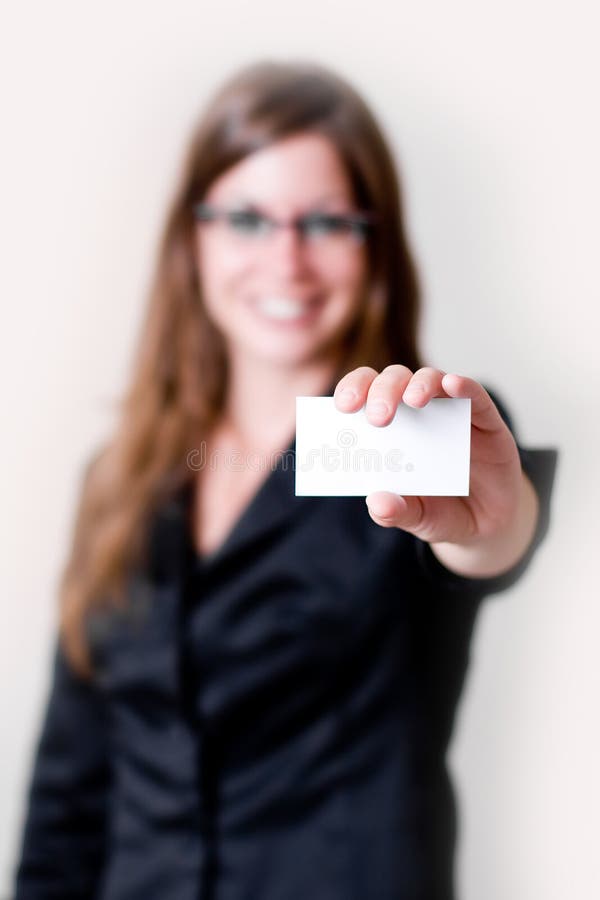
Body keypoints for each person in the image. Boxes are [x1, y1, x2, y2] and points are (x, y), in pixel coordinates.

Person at [14, 60, 556, 900]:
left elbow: (491, 536)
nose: (287, 259)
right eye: (246, 219)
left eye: (327, 222)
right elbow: (70, 791)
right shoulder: (123, 476)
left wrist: (488, 524)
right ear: (193, 240)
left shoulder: (418, 439)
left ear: (373, 243)